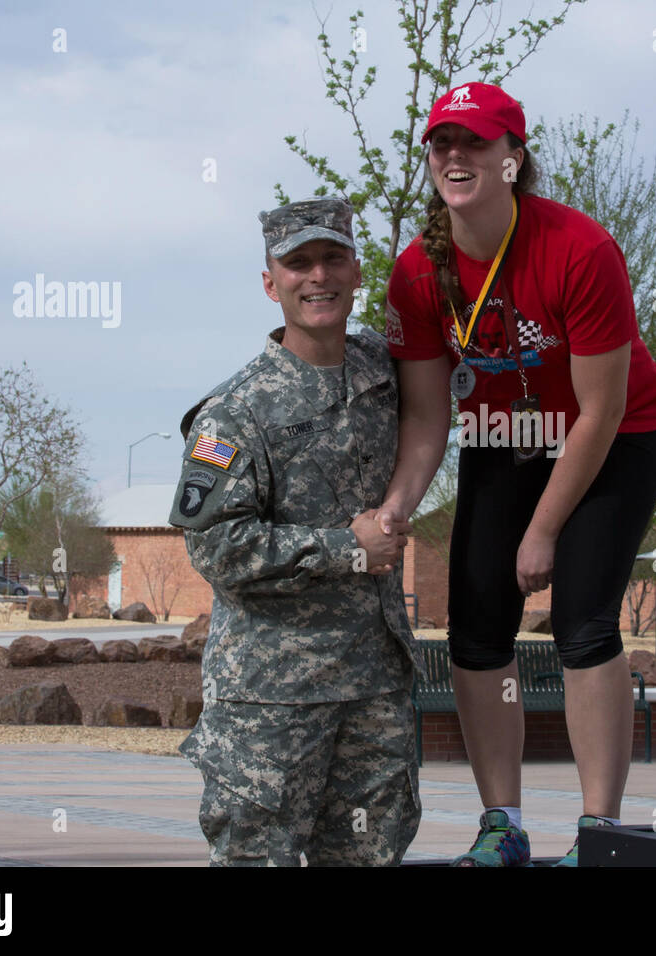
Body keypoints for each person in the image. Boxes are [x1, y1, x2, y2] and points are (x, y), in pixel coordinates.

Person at [379, 82, 656, 866]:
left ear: (513, 159)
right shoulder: (416, 273)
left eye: (475, 142)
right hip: (505, 438)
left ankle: (601, 831)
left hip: (610, 436)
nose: (456, 156)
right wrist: (400, 503)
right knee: (475, 633)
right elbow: (427, 417)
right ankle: (501, 825)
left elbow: (601, 411)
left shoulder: (580, 249)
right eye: (442, 143)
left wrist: (543, 531)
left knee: (583, 623)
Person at [169, 198, 424, 866]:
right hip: (271, 705)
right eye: (298, 263)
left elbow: (443, 385)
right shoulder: (234, 412)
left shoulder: (381, 370)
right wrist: (347, 550)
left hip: (373, 690)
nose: (318, 276)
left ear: (357, 269)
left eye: (332, 258)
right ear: (269, 282)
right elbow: (216, 545)